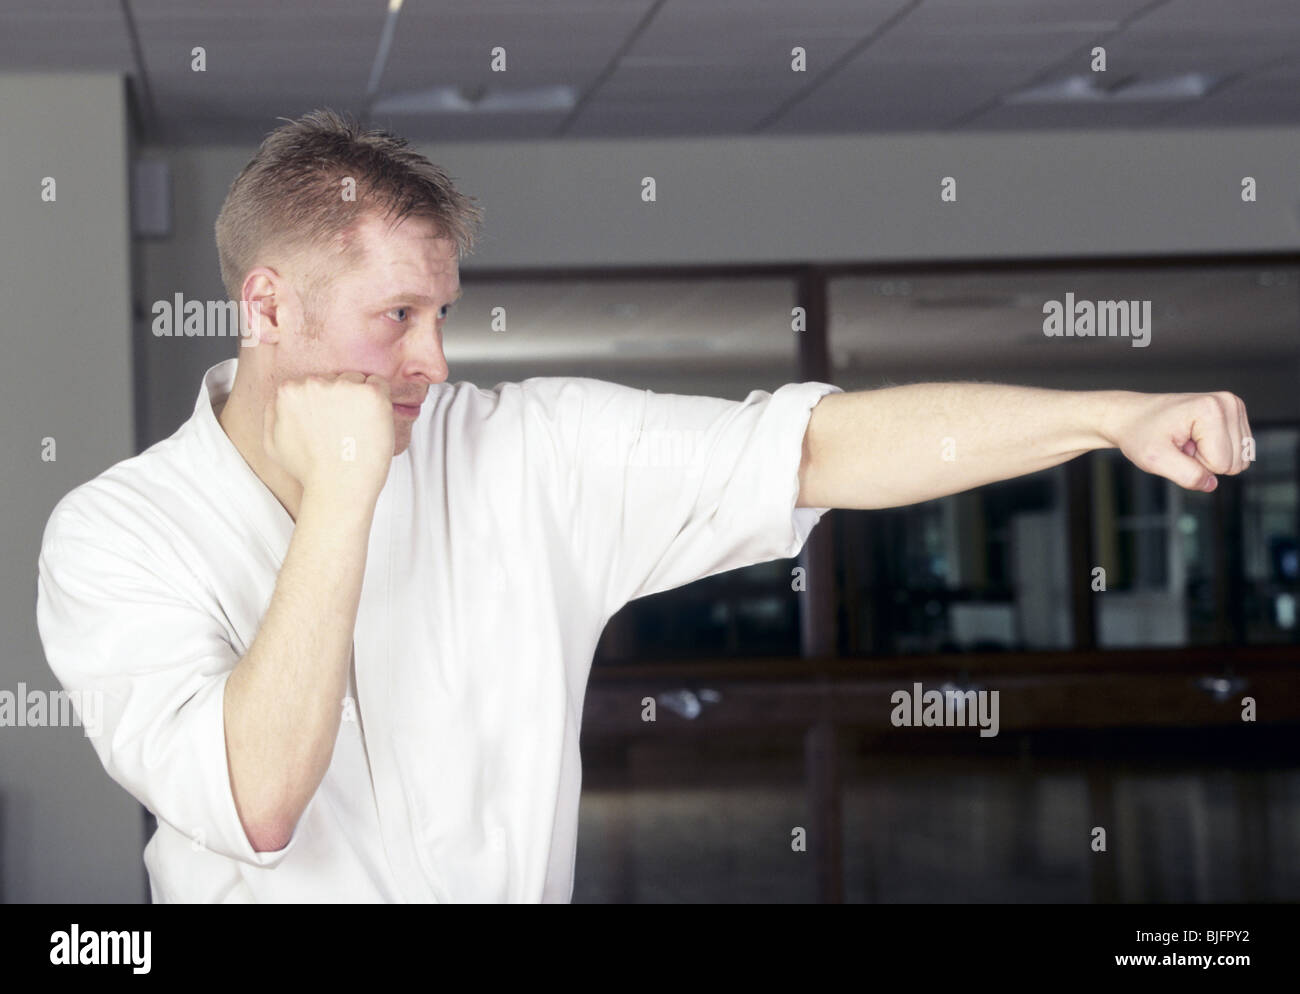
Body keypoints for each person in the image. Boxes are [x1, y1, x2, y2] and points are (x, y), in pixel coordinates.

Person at [35, 109, 1254, 903]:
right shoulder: (113, 535)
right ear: (265, 308)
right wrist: (347, 489)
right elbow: (255, 803)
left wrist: (1107, 415)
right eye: (398, 316)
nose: (437, 361)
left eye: (444, 315)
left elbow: (819, 446)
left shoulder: (528, 451)